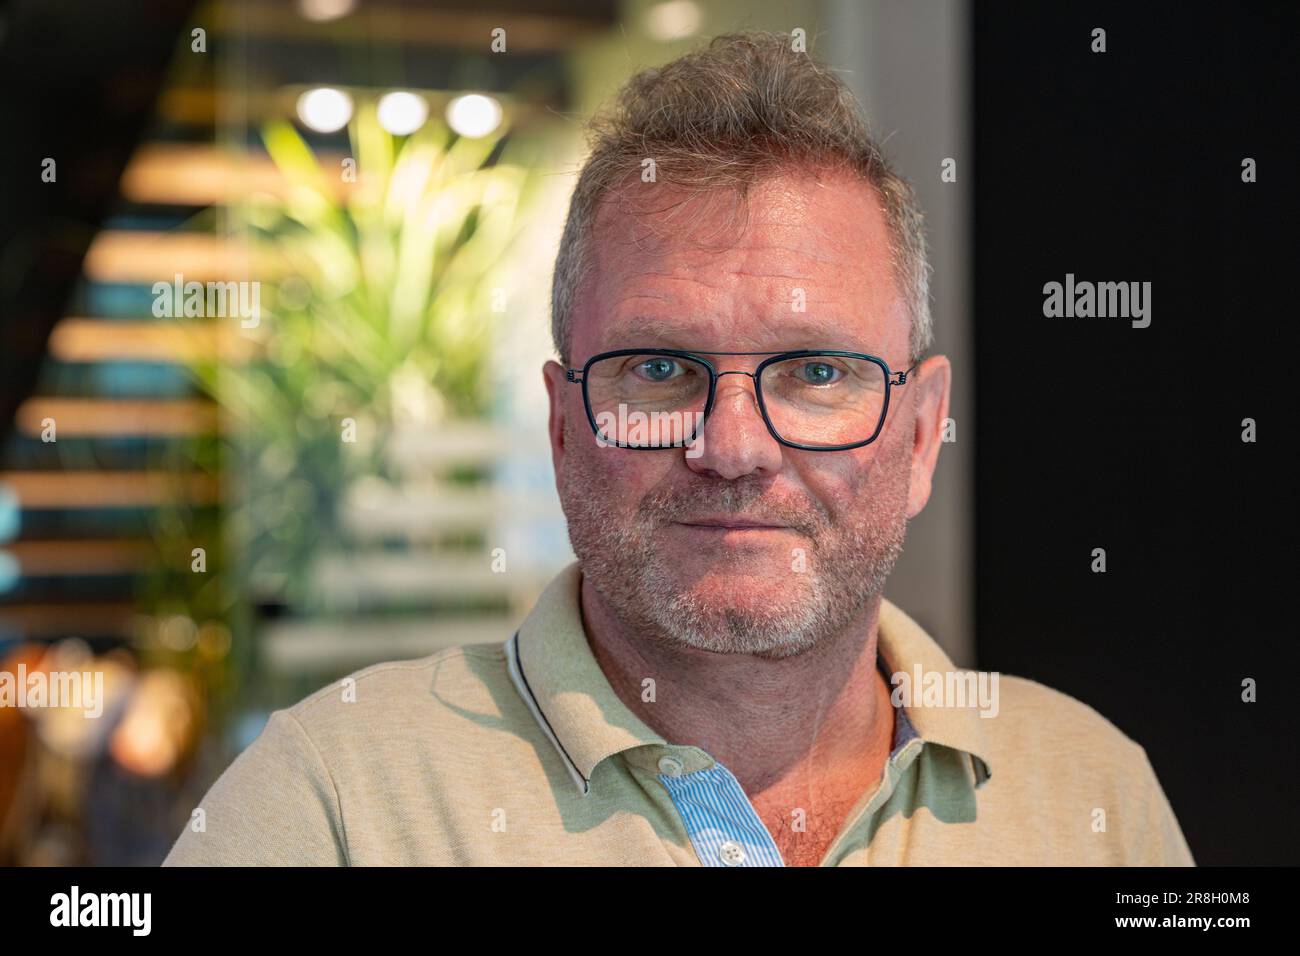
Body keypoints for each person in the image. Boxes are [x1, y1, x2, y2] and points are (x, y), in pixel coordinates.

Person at [163, 31, 1193, 867]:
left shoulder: (1091, 790)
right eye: (658, 371)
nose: (733, 445)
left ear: (921, 434)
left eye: (817, 372)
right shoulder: (335, 804)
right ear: (563, 425)